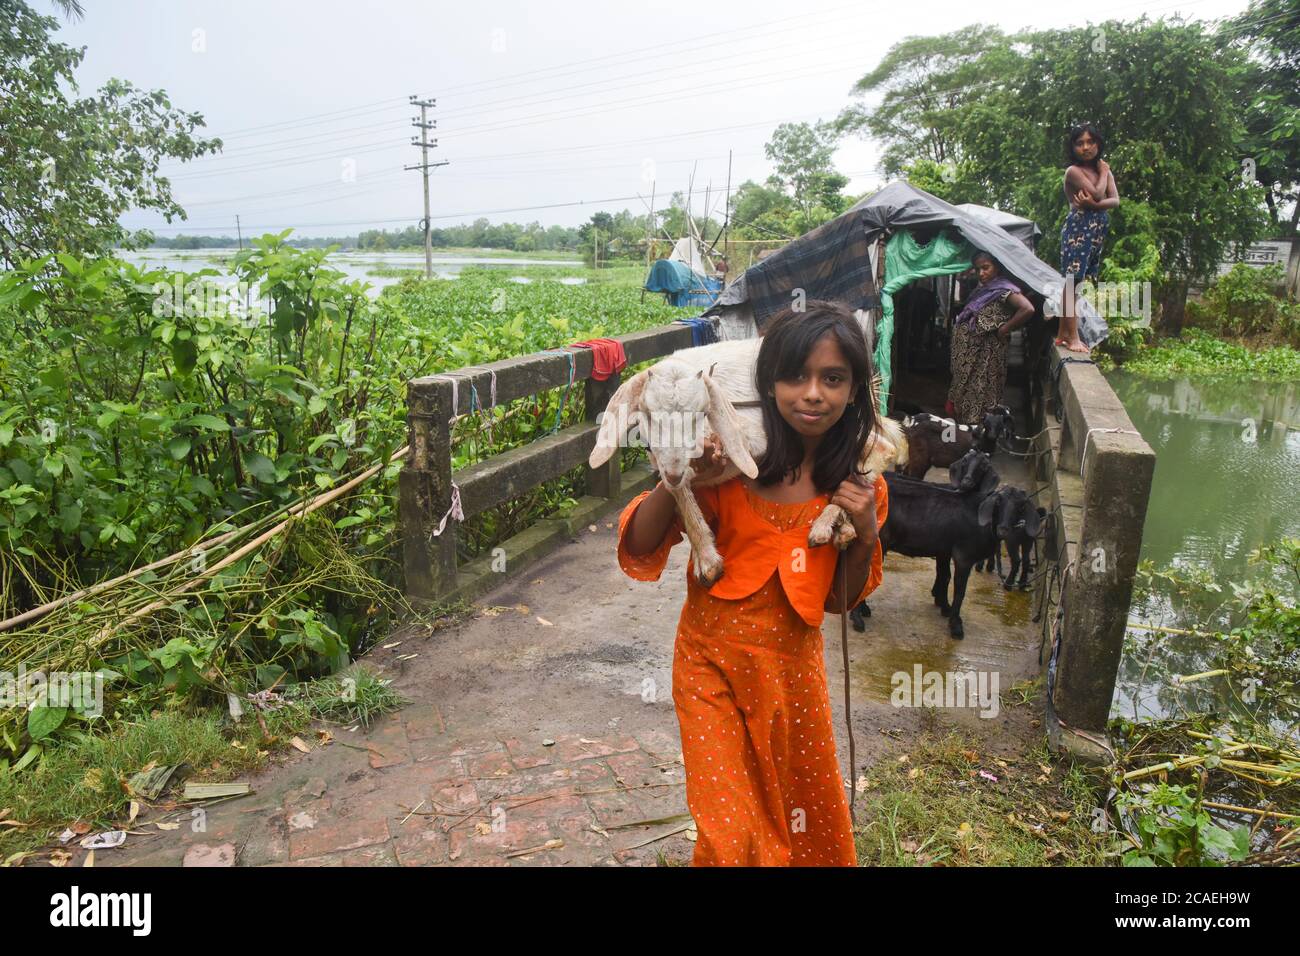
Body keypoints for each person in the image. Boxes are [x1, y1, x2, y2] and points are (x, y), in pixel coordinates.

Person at [616, 300, 888, 867]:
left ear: (855, 389)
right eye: (795, 377)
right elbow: (641, 545)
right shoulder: (728, 469)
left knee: (806, 819)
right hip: (708, 667)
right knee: (729, 831)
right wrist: (679, 474)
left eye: (833, 379)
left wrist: (863, 533)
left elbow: (839, 602)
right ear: (767, 385)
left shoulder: (856, 490)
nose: (812, 393)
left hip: (793, 678)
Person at [948, 251, 1035, 425]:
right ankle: (967, 427)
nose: (981, 273)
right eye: (978, 269)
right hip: (971, 355)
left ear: (997, 267)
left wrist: (1005, 329)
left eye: (986, 268)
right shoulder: (984, 289)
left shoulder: (1004, 289)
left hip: (985, 355)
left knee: (981, 389)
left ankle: (977, 430)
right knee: (969, 390)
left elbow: (1028, 309)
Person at [1058, 122, 1120, 353]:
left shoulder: (1102, 171)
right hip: (1078, 230)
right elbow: (1096, 191)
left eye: (1090, 142)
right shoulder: (1074, 172)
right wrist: (1104, 172)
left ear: (1098, 143)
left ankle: (1063, 332)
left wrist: (1095, 205)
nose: (1086, 147)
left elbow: (1115, 200)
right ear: (1073, 147)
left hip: (1096, 230)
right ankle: (1072, 337)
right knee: (1072, 282)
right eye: (1080, 143)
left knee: (1077, 282)